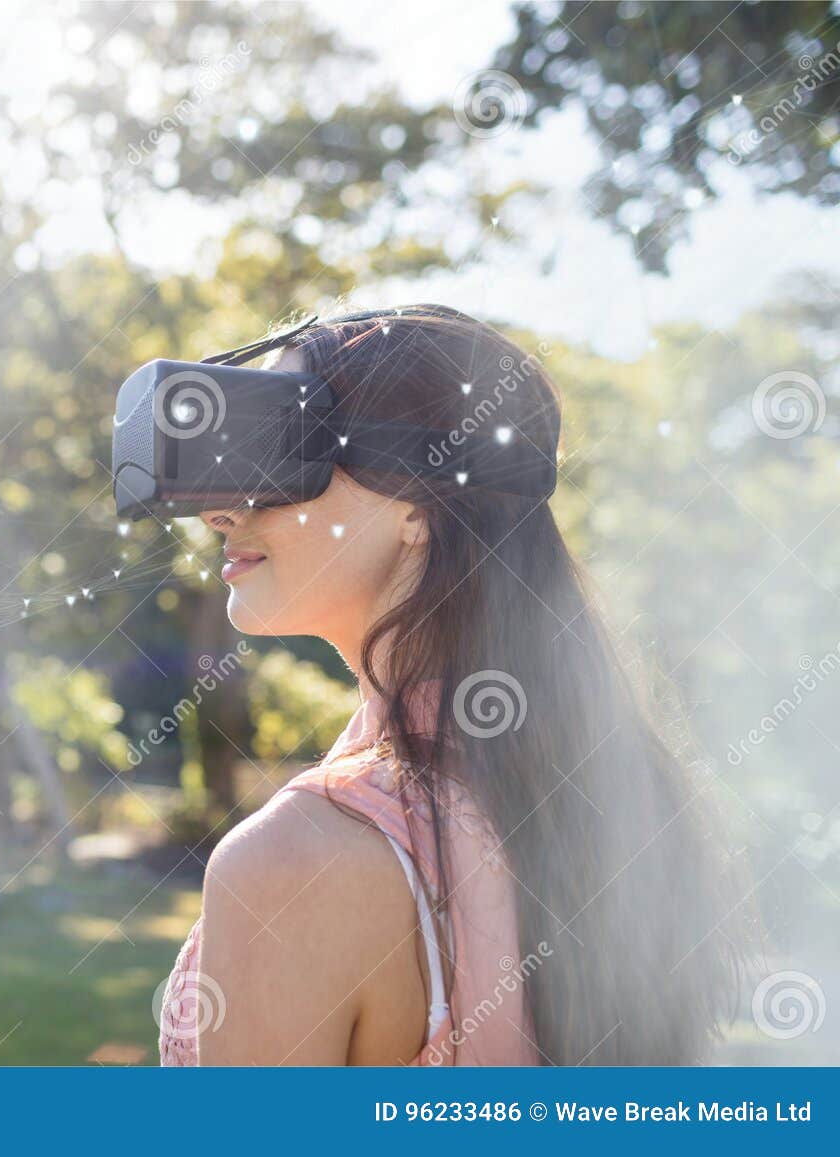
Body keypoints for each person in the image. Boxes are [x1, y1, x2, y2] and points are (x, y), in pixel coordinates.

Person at [158, 305, 745, 1066]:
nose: (221, 509)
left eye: (276, 449)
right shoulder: (594, 794)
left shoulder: (292, 866)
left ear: (416, 506)